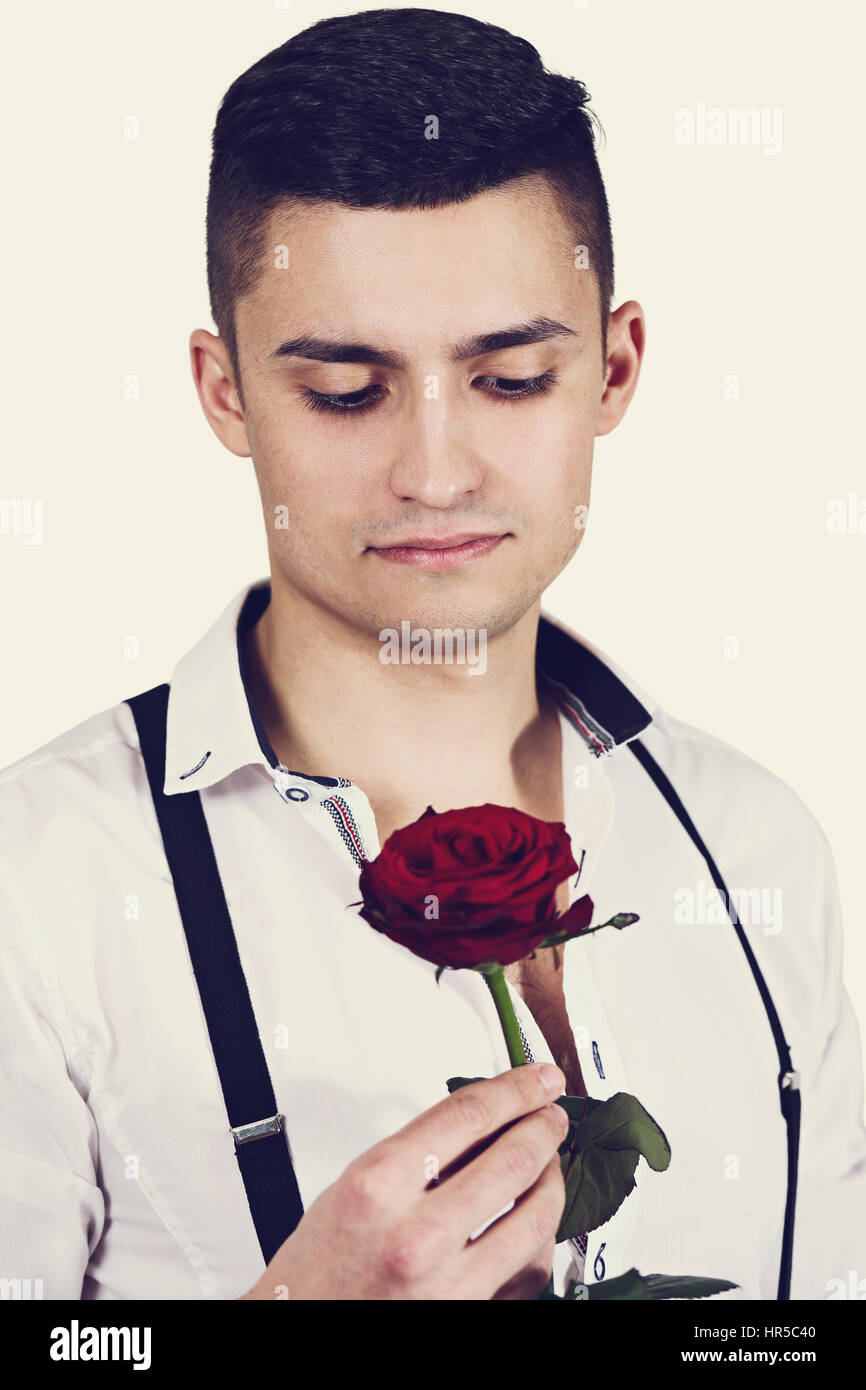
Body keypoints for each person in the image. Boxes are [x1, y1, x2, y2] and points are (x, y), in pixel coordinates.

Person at [1, 7, 864, 1303]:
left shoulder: (758, 845)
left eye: (511, 376)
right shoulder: (44, 887)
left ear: (615, 368)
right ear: (223, 391)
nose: (435, 470)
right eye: (345, 391)